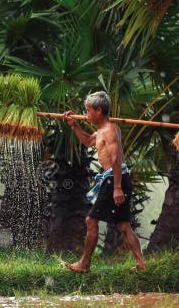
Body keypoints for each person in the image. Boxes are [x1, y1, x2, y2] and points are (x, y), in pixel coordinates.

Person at [63, 91, 146, 273]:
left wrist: (117, 187)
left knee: (91, 220)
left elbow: (115, 158)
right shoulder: (102, 131)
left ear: (98, 110)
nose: (86, 114)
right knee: (123, 225)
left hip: (114, 179)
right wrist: (74, 125)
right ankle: (141, 264)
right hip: (117, 178)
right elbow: (87, 141)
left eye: (88, 110)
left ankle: (84, 264)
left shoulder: (109, 130)